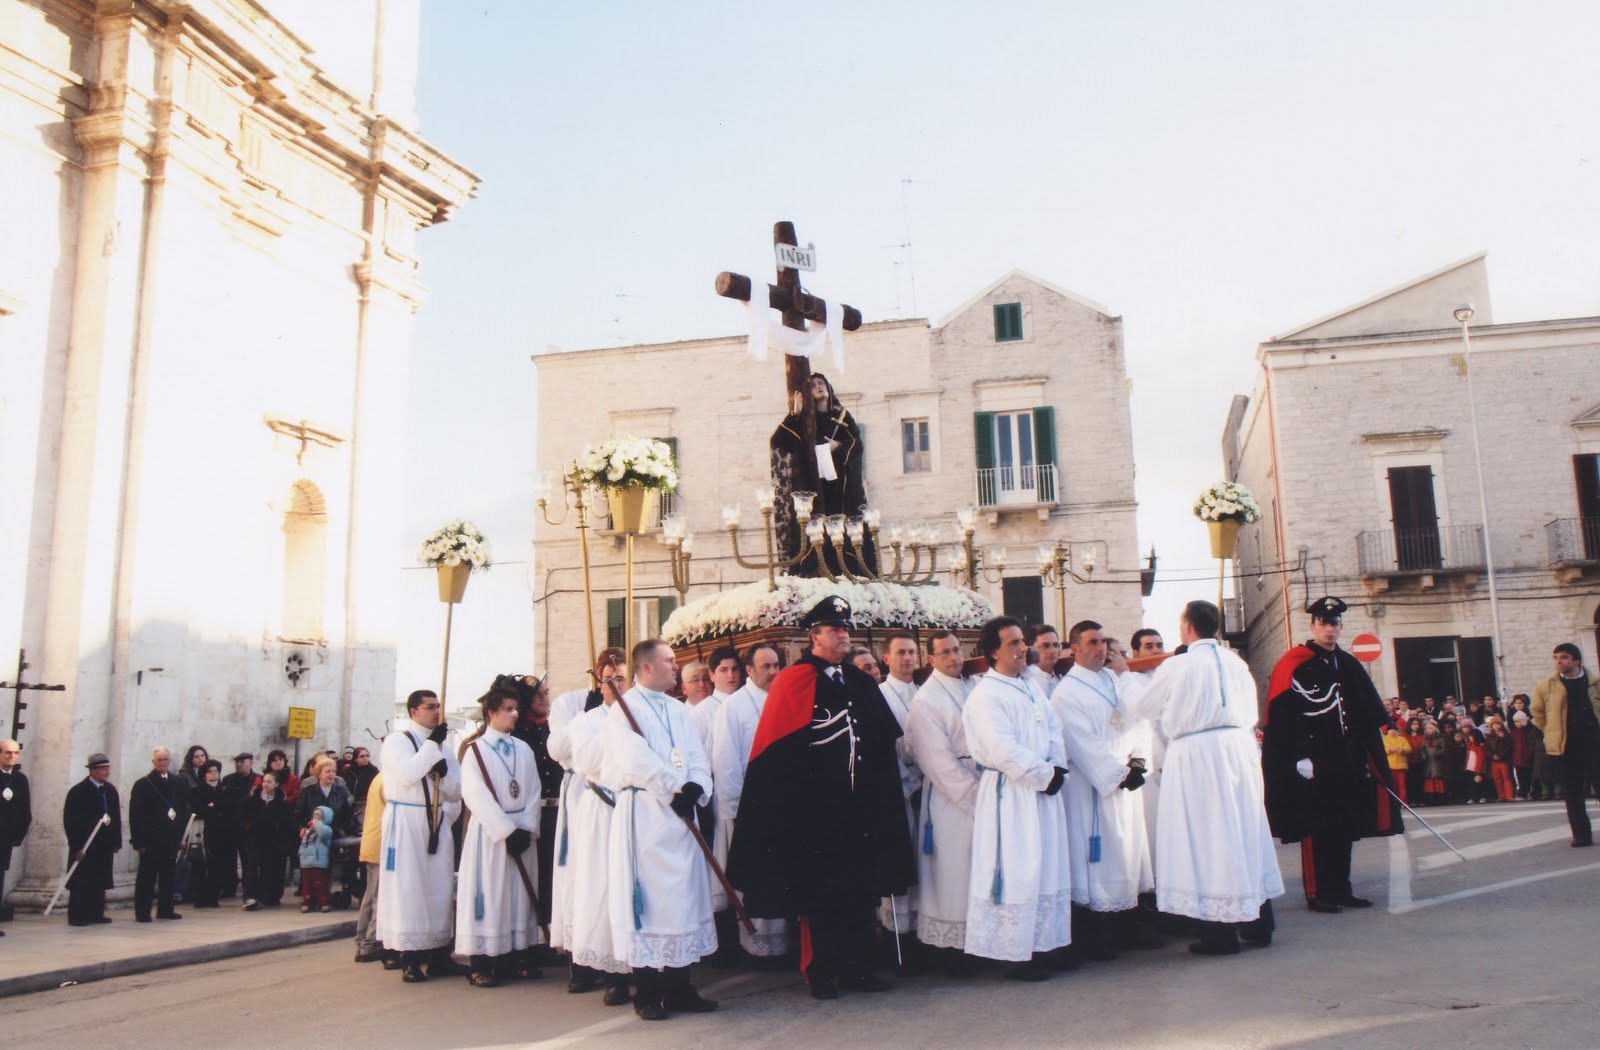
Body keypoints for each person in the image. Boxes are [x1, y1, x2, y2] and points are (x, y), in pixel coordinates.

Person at [727, 595, 913, 1000]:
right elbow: (775, 753)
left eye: (845, 629)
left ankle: (858, 968)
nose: (843, 635)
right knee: (822, 896)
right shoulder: (795, 680)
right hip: (817, 813)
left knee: (861, 890)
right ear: (815, 636)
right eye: (834, 629)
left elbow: (881, 743)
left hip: (860, 810)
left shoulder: (860, 680)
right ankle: (821, 971)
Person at [1122, 600, 1283, 955]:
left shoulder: (1178, 665)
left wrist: (1125, 675)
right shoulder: (1235, 661)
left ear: (1188, 627)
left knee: (1210, 836)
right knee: (1244, 830)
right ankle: (1259, 923)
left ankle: (1219, 933)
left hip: (1199, 754)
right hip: (1239, 748)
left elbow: (1142, 708)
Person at [1261, 596, 1401, 912]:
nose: (1329, 629)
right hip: (1313, 759)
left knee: (1344, 825)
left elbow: (1366, 704)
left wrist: (1383, 728)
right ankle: (1318, 893)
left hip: (1345, 758)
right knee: (1317, 828)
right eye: (1324, 623)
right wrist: (1299, 756)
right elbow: (1282, 715)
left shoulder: (1346, 662)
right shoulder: (1294, 663)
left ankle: (1342, 888)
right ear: (1312, 625)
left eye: (1334, 623)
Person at [604, 640, 719, 1020]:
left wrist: (698, 786)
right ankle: (648, 994)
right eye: (669, 661)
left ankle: (680, 987)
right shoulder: (624, 709)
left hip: (682, 817)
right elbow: (637, 758)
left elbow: (697, 753)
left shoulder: (677, 709)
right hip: (648, 814)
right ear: (647, 667)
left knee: (682, 899)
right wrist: (675, 787)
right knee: (651, 903)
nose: (676, 666)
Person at [962, 616, 1073, 980]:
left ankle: (1045, 945)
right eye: (1013, 643)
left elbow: (1053, 728)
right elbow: (1001, 748)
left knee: (1047, 865)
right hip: (1013, 794)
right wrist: (1043, 775)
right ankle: (1015, 953)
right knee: (1020, 869)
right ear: (993, 651)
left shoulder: (1029, 687)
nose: (1023, 647)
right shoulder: (986, 695)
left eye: (1023, 641)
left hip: (1042, 790)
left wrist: (1056, 766)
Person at [1052, 620, 1156, 960]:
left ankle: (1127, 926)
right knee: (1098, 861)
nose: (1101, 648)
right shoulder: (1066, 692)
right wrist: (1118, 774)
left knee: (1126, 854)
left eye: (1103, 641)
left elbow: (1136, 719)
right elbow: (1081, 742)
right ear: (1075, 650)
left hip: (1125, 779)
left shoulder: (1113, 680)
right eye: (1093, 642)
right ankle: (1098, 935)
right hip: (1093, 787)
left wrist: (1139, 760)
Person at [553, 648, 632, 1005]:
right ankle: (612, 971)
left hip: (635, 809)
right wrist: (615, 726)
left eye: (621, 679)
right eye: (609, 680)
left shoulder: (643, 712)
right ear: (598, 683)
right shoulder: (586, 721)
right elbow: (586, 760)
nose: (615, 686)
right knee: (602, 887)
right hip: (601, 808)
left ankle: (641, 966)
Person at [456, 687, 545, 987]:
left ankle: (516, 956)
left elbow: (533, 790)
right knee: (491, 894)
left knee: (518, 895)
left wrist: (525, 826)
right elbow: (474, 794)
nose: (515, 713)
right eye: (508, 708)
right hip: (492, 836)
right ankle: (483, 962)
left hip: (522, 829)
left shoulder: (523, 748)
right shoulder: (475, 751)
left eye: (516, 708)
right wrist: (506, 831)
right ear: (492, 713)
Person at [903, 630, 979, 975]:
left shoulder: (971, 687)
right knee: (952, 872)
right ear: (930, 659)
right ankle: (950, 950)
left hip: (981, 783)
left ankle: (978, 942)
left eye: (956, 650)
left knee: (974, 870)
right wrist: (975, 797)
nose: (954, 658)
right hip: (952, 798)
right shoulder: (926, 701)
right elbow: (937, 761)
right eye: (944, 653)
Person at [708, 642, 787, 961]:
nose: (772, 672)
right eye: (764, 666)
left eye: (776, 665)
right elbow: (724, 761)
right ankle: (755, 946)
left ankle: (782, 943)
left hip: (782, 805)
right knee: (755, 877)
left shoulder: (783, 698)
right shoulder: (734, 707)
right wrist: (734, 812)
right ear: (749, 671)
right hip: (749, 808)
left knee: (780, 874)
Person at [378, 688, 464, 981]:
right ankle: (409, 958)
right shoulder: (397, 741)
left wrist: (443, 773)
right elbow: (407, 774)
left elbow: (456, 790)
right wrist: (430, 752)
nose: (436, 711)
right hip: (407, 819)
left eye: (439, 705)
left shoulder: (444, 746)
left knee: (439, 887)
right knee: (410, 888)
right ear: (414, 711)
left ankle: (440, 953)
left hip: (435, 821)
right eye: (430, 706)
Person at [769, 373, 868, 575]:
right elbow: (777, 442)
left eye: (821, 383)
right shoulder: (804, 421)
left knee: (839, 529)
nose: (818, 387)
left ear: (829, 389)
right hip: (813, 488)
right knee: (815, 531)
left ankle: (845, 568)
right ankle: (814, 568)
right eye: (813, 385)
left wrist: (837, 446)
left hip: (839, 489)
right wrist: (794, 414)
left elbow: (856, 445)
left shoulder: (842, 417)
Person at [876, 631, 923, 969]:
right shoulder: (879, 696)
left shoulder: (924, 692)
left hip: (932, 792)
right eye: (901, 653)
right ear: (886, 659)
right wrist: (910, 784)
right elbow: (885, 753)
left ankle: (926, 938)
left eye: (912, 652)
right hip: (899, 794)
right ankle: (900, 946)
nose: (908, 659)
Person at [1530, 643, 1600, 846]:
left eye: (1564, 657)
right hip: (1565, 746)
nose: (1559, 662)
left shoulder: (1594, 682)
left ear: (1576, 661)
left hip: (1594, 742)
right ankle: (1581, 835)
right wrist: (1550, 730)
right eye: (1556, 657)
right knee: (1573, 793)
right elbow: (1538, 713)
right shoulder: (1547, 686)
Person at [129, 746, 189, 922]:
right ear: (153, 762)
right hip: (150, 839)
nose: (163, 763)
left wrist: (180, 838)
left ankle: (165, 909)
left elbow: (182, 811)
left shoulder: (178, 782)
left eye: (165, 760)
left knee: (168, 877)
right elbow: (136, 815)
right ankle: (142, 912)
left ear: (169, 761)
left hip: (170, 839)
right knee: (146, 878)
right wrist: (138, 841)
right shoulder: (143, 784)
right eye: (159, 760)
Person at [62, 753, 122, 926]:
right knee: (82, 881)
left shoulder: (110, 790)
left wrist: (116, 841)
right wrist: (76, 847)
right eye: (103, 769)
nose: (106, 772)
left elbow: (115, 817)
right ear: (93, 771)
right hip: (85, 844)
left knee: (99, 879)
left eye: (107, 768)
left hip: (103, 844)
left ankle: (96, 913)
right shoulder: (78, 791)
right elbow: (71, 821)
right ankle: (78, 915)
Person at [241, 770, 293, 909]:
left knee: (268, 865)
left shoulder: (281, 801)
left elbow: (285, 819)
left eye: (269, 782)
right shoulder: (253, 798)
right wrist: (249, 825)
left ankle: (267, 895)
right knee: (252, 865)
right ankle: (250, 896)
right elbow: (244, 814)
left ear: (276, 784)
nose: (265, 784)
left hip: (271, 837)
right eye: (264, 781)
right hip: (254, 836)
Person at [354, 771, 388, 964]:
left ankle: (362, 941)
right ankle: (370, 944)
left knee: (370, 895)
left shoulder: (379, 777)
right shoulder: (389, 779)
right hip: (381, 844)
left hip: (372, 841)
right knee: (378, 897)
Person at [0, 738, 30, 929]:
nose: (12, 756)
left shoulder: (19, 779)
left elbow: (24, 810)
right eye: (7, 752)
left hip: (5, 840)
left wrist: (17, 835)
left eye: (15, 753)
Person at [216, 753, 255, 899]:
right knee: (228, 859)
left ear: (250, 762)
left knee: (247, 860)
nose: (239, 764)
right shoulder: (228, 780)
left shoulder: (257, 779)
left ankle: (248, 889)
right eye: (237, 762)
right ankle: (228, 888)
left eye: (242, 761)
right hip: (230, 825)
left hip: (246, 826)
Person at [187, 759, 224, 908]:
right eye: (210, 771)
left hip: (220, 832)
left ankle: (213, 896)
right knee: (200, 865)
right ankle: (199, 897)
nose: (213, 774)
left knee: (217, 865)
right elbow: (198, 810)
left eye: (216, 771)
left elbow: (227, 807)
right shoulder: (197, 791)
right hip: (203, 831)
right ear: (204, 775)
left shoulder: (223, 790)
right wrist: (214, 808)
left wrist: (215, 806)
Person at [297, 754, 355, 837]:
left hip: (335, 834)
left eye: (333, 771)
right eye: (328, 771)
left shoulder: (341, 791)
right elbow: (299, 813)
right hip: (314, 834)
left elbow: (347, 814)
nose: (331, 774)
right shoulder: (308, 791)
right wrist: (302, 827)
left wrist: (343, 829)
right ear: (319, 774)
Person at [299, 804, 334, 912]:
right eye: (314, 815)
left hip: (319, 861)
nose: (316, 817)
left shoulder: (326, 829)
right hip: (306, 861)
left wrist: (317, 824)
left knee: (319, 883)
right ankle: (307, 902)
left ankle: (323, 901)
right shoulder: (309, 830)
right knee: (307, 884)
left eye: (319, 815)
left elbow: (324, 834)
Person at [1022, 624, 1067, 696]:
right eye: (1045, 646)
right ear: (1030, 649)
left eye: (1055, 645)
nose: (1053, 650)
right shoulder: (1026, 681)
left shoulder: (1062, 678)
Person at [1509, 711, 1535, 800]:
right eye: (1515, 722)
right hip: (1517, 758)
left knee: (1528, 776)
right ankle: (1522, 792)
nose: (1517, 724)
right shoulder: (1513, 732)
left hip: (1527, 758)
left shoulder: (1529, 730)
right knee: (1520, 776)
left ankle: (1528, 792)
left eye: (1519, 721)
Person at [1383, 728, 1413, 804]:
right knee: (1392, 785)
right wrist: (1389, 750)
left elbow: (1409, 749)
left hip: (1401, 766)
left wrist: (1402, 750)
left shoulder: (1402, 739)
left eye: (1394, 729)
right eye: (1390, 729)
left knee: (1402, 785)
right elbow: (1382, 750)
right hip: (1390, 766)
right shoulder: (1384, 739)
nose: (1392, 731)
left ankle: (1403, 801)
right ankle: (1392, 802)